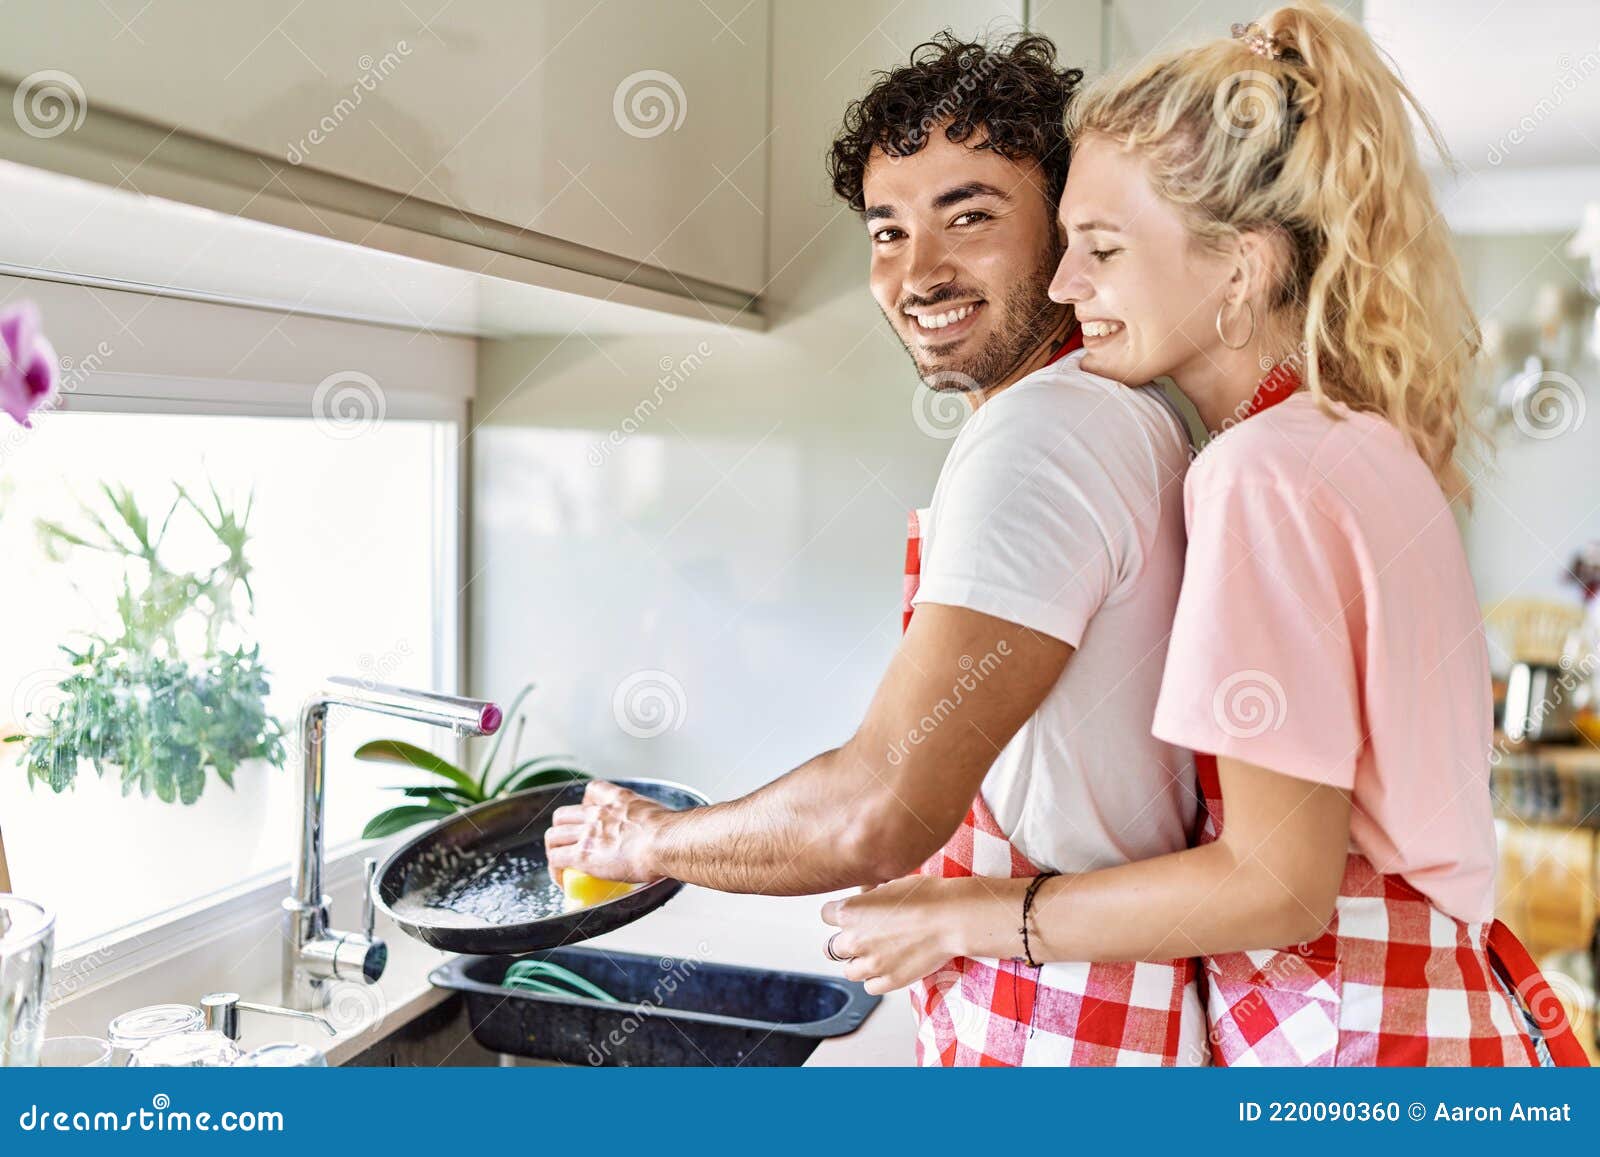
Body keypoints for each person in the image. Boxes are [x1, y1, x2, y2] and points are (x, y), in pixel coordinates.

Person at [821, 3, 1589, 1067]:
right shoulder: (1348, 437)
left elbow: (1274, 883)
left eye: (1100, 247)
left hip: (1350, 1037)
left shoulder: (1256, 475)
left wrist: (970, 915)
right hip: (1436, 1002)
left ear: (1239, 266)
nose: (1062, 283)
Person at [548, 33, 1209, 1065]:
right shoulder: (1115, 409)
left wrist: (648, 843)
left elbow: (876, 811)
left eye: (971, 216)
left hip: (1068, 1036)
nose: (918, 271)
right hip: (1083, 1008)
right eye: (888, 230)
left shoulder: (1045, 435)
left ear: (1072, 232)